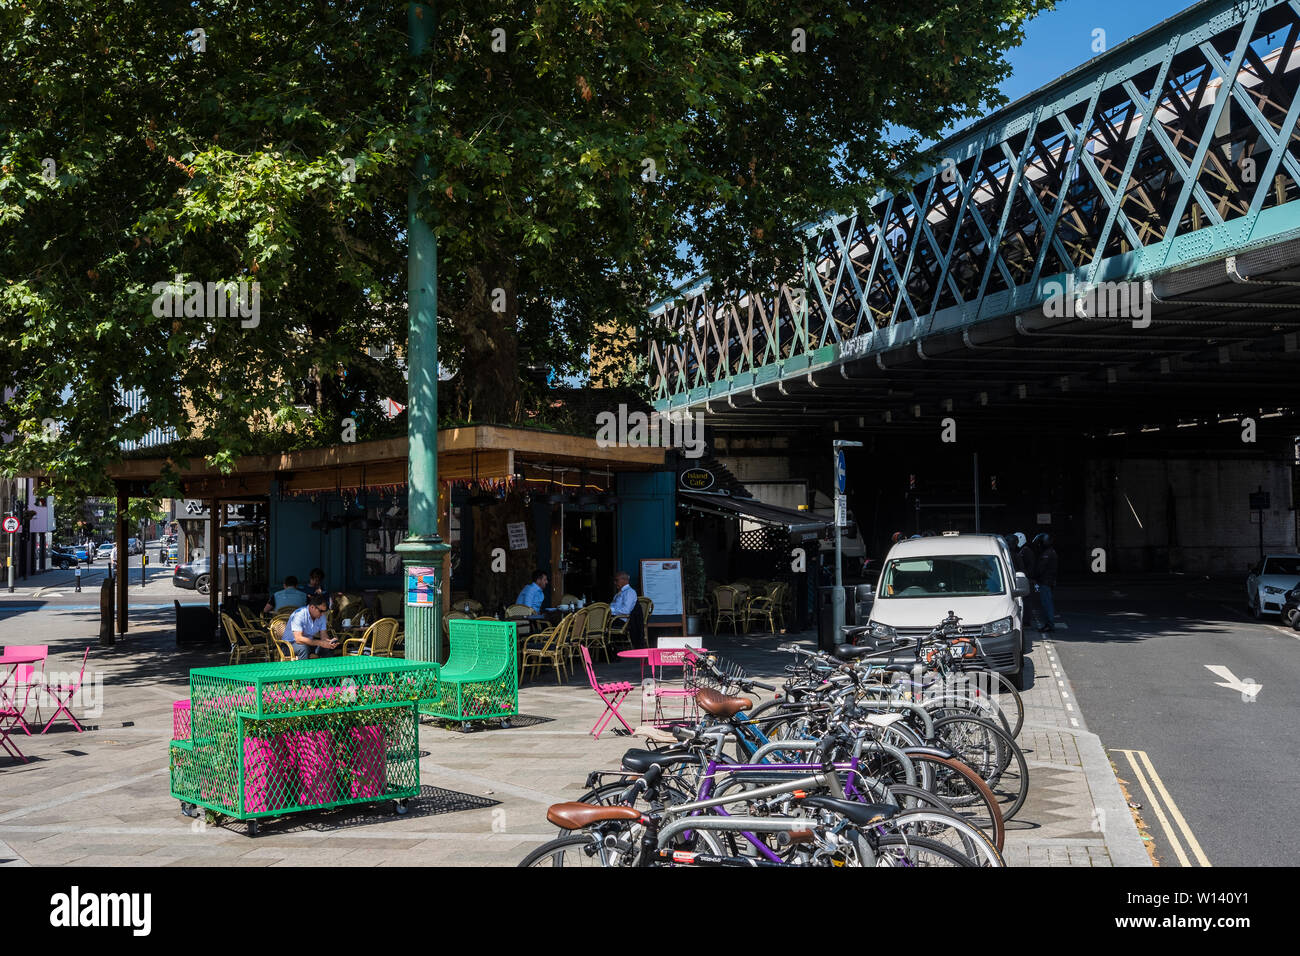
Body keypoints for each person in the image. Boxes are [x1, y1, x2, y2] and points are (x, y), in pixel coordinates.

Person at [287, 593, 338, 660]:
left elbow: (323, 635)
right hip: (290, 644)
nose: (323, 614)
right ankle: (302, 670)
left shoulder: (321, 616)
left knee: (327, 648)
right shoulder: (299, 614)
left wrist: (329, 642)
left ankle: (325, 669)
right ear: (312, 607)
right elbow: (298, 639)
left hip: (308, 643)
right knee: (304, 648)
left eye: (324, 611)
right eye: (321, 611)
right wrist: (320, 642)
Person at [1032, 533, 1059, 633]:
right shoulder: (1049, 552)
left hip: (1046, 582)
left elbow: (1040, 569)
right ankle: (1048, 624)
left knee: (1047, 604)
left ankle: (1049, 625)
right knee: (1046, 603)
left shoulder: (1047, 554)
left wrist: (1034, 576)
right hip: (1047, 581)